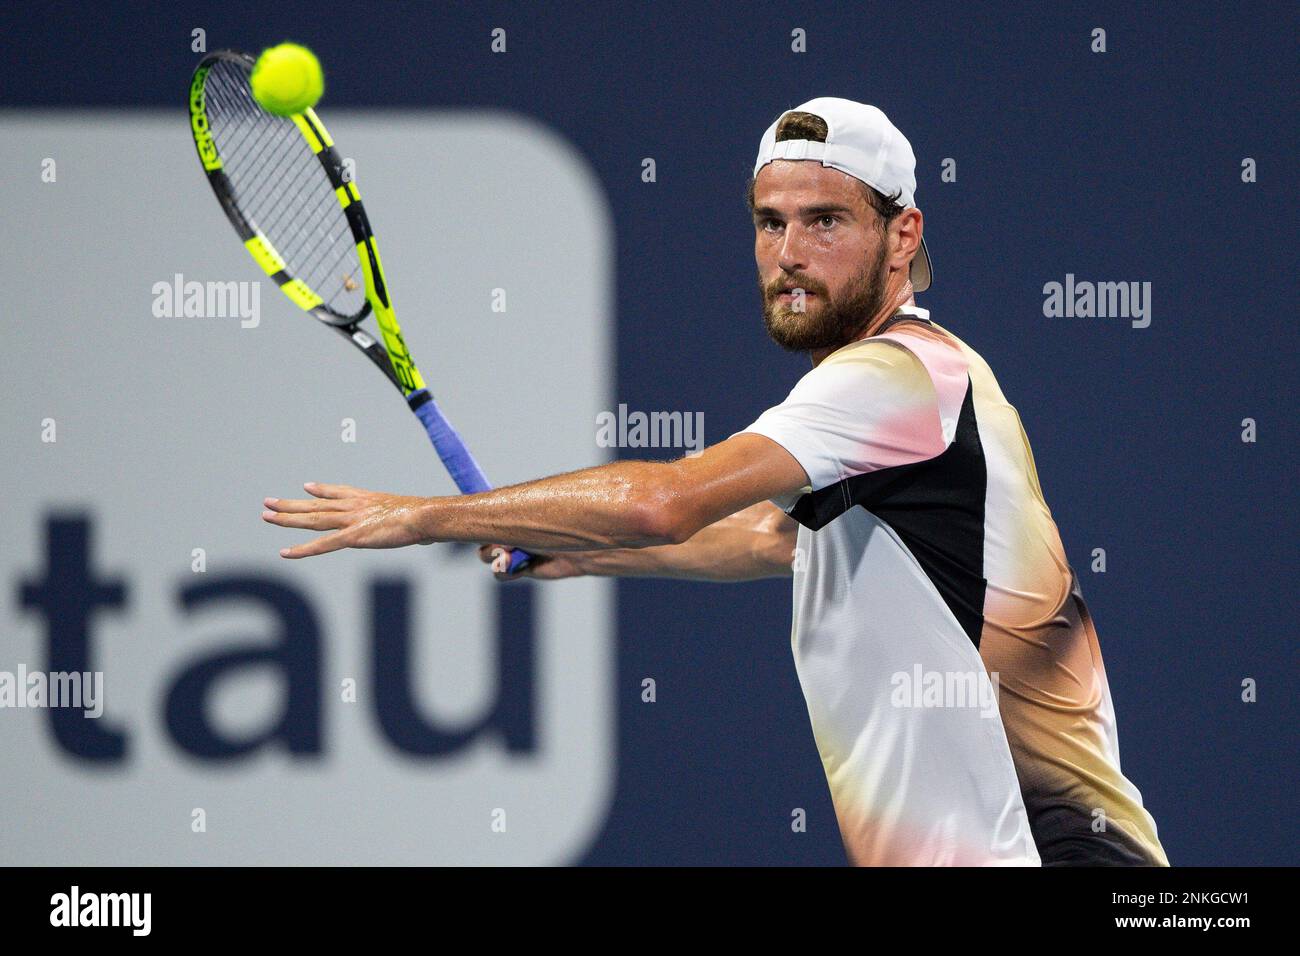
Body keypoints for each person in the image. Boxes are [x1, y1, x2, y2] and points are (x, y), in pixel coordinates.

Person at [262, 97, 1168, 867]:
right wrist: (585, 555)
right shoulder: (907, 389)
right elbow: (780, 538)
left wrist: (425, 517)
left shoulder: (891, 379)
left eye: (826, 220)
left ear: (903, 236)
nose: (788, 253)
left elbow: (667, 501)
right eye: (770, 223)